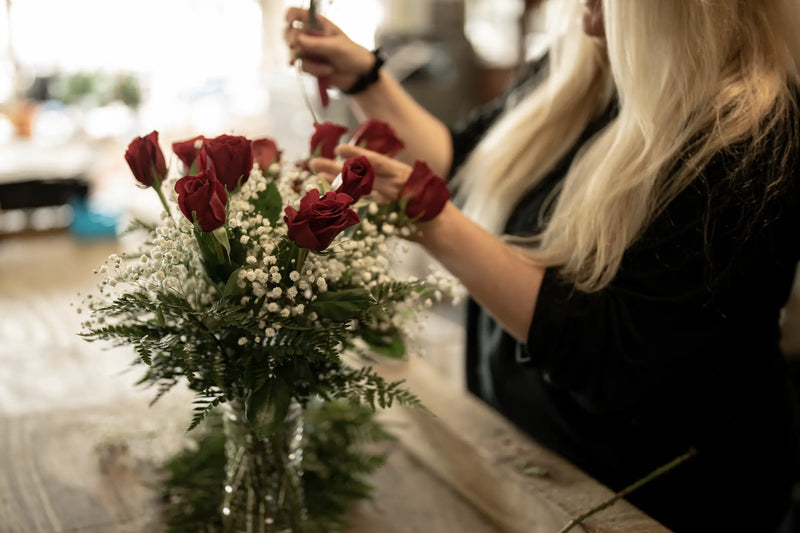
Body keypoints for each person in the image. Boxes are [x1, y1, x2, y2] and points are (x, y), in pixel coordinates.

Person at [285, 1, 800, 531]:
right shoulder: (583, 63)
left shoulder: (752, 140)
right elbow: (466, 163)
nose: (582, 5)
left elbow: (612, 355)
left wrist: (436, 223)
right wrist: (365, 80)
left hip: (655, 497)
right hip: (532, 464)